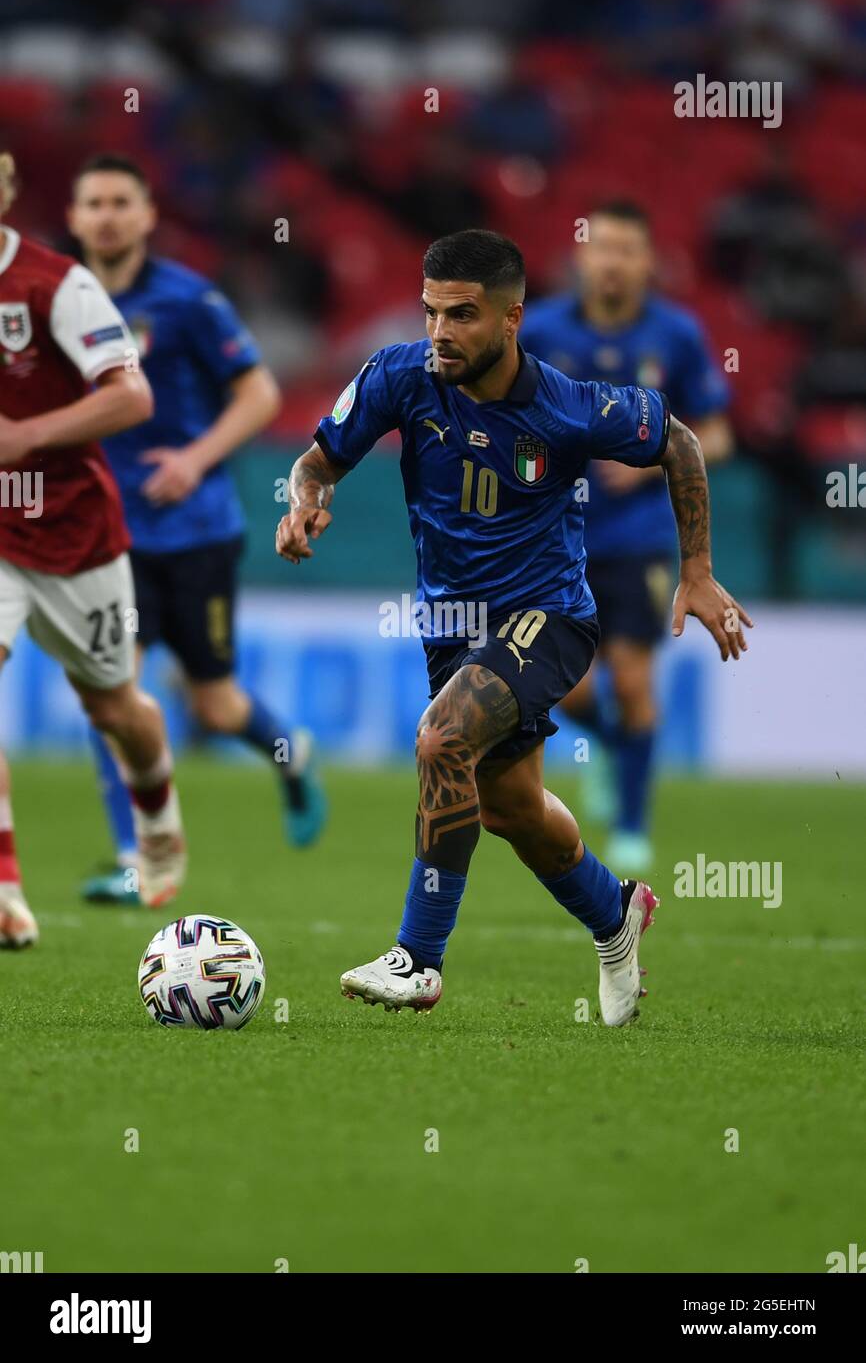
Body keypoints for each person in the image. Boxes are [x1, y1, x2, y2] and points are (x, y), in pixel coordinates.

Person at [275, 229, 750, 1025]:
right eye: (429, 313)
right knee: (512, 811)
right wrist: (304, 500)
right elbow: (317, 460)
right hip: (452, 628)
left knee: (441, 739)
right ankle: (616, 915)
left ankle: (418, 958)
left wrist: (696, 572)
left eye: (460, 315)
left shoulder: (566, 406)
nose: (438, 333)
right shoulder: (399, 376)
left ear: (511, 318)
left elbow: (681, 442)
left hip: (550, 618)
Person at [66, 155, 327, 903]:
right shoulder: (57, 303)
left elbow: (260, 393)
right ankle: (136, 858)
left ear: (148, 215)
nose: (108, 215)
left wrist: (193, 458)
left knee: (214, 704)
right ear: (77, 218)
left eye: (122, 201)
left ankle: (291, 754)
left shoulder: (188, 301)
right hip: (106, 534)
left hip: (196, 531)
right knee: (111, 689)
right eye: (95, 202)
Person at [0, 151, 186, 944]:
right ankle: (7, 889)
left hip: (74, 535)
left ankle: (158, 817)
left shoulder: (57, 285)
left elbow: (132, 394)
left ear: (7, 187)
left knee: (113, 705)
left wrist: (26, 436)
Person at [522, 201, 732, 873]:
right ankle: (611, 746)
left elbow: (718, 434)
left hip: (638, 538)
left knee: (634, 678)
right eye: (601, 247)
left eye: (626, 250)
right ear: (582, 256)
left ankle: (634, 827)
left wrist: (648, 466)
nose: (611, 261)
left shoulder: (677, 335)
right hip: (556, 537)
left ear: (647, 262)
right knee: (569, 689)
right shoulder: (541, 328)